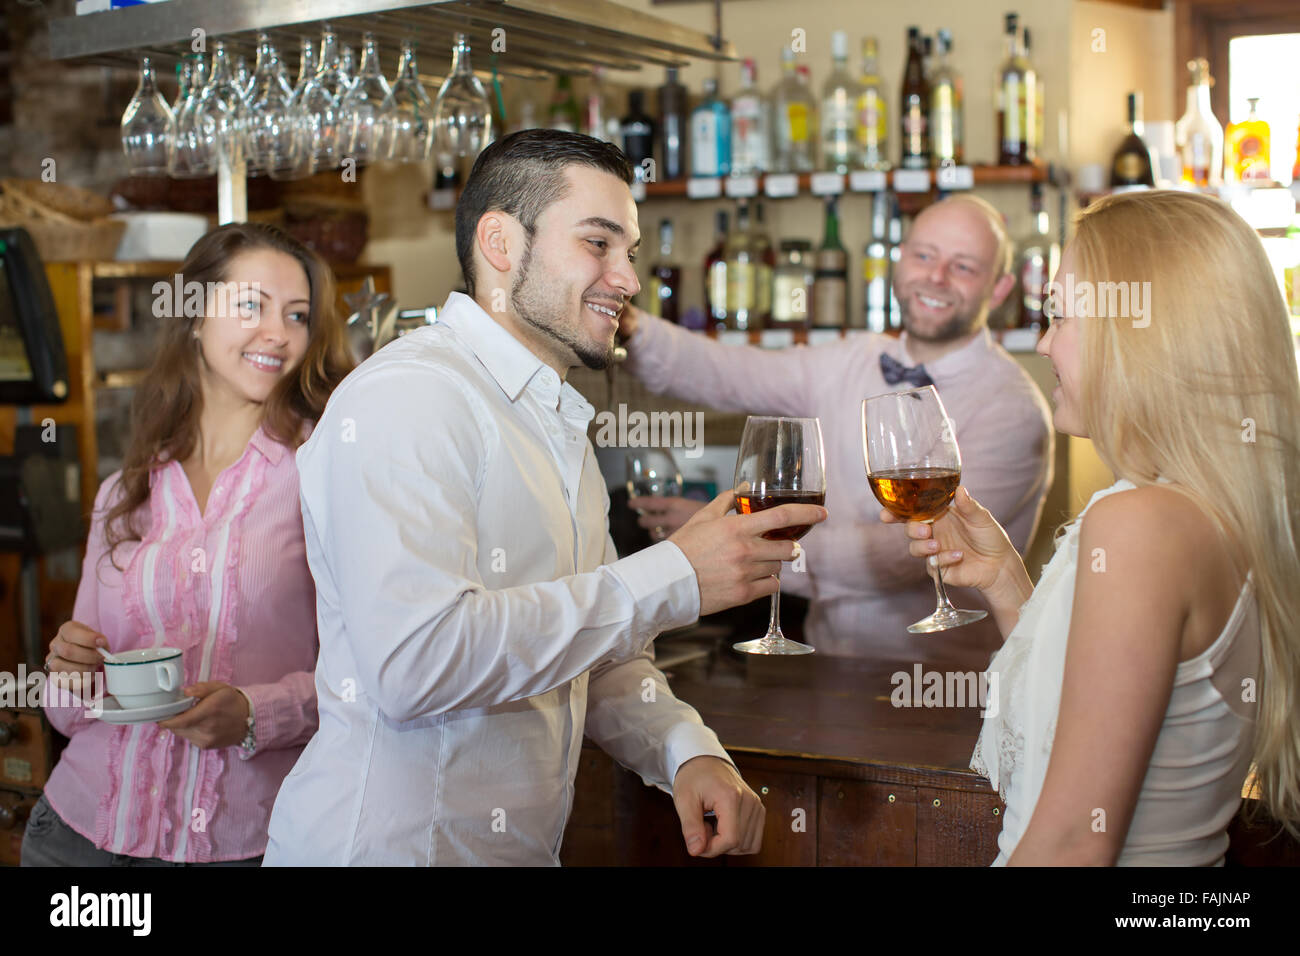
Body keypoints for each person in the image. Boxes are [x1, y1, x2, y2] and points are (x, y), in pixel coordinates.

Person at [264, 130, 826, 866]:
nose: (626, 279)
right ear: (500, 243)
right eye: (598, 244)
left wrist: (686, 750)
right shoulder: (408, 397)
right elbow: (415, 664)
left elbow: (597, 652)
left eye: (629, 254)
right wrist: (673, 575)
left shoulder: (550, 415)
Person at [885, 190, 1300, 864]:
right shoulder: (1207, 505)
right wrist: (1005, 582)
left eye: (1061, 318)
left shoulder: (1139, 524)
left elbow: (1076, 842)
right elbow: (1087, 709)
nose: (1044, 343)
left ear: (1142, 334)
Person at [23, 223, 354, 866]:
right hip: (74, 838)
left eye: (297, 316)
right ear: (195, 317)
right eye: (251, 306)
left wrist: (256, 715)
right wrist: (70, 674)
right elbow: (70, 717)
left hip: (243, 843)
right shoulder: (127, 489)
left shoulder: (327, 470)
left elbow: (372, 678)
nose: (279, 334)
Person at [618, 195, 1053, 661]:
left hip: (948, 684)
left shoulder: (1013, 409)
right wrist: (628, 325)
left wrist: (734, 537)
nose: (936, 277)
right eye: (924, 255)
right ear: (900, 259)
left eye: (963, 266)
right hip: (823, 664)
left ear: (1002, 286)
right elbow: (726, 370)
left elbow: (901, 558)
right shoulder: (852, 358)